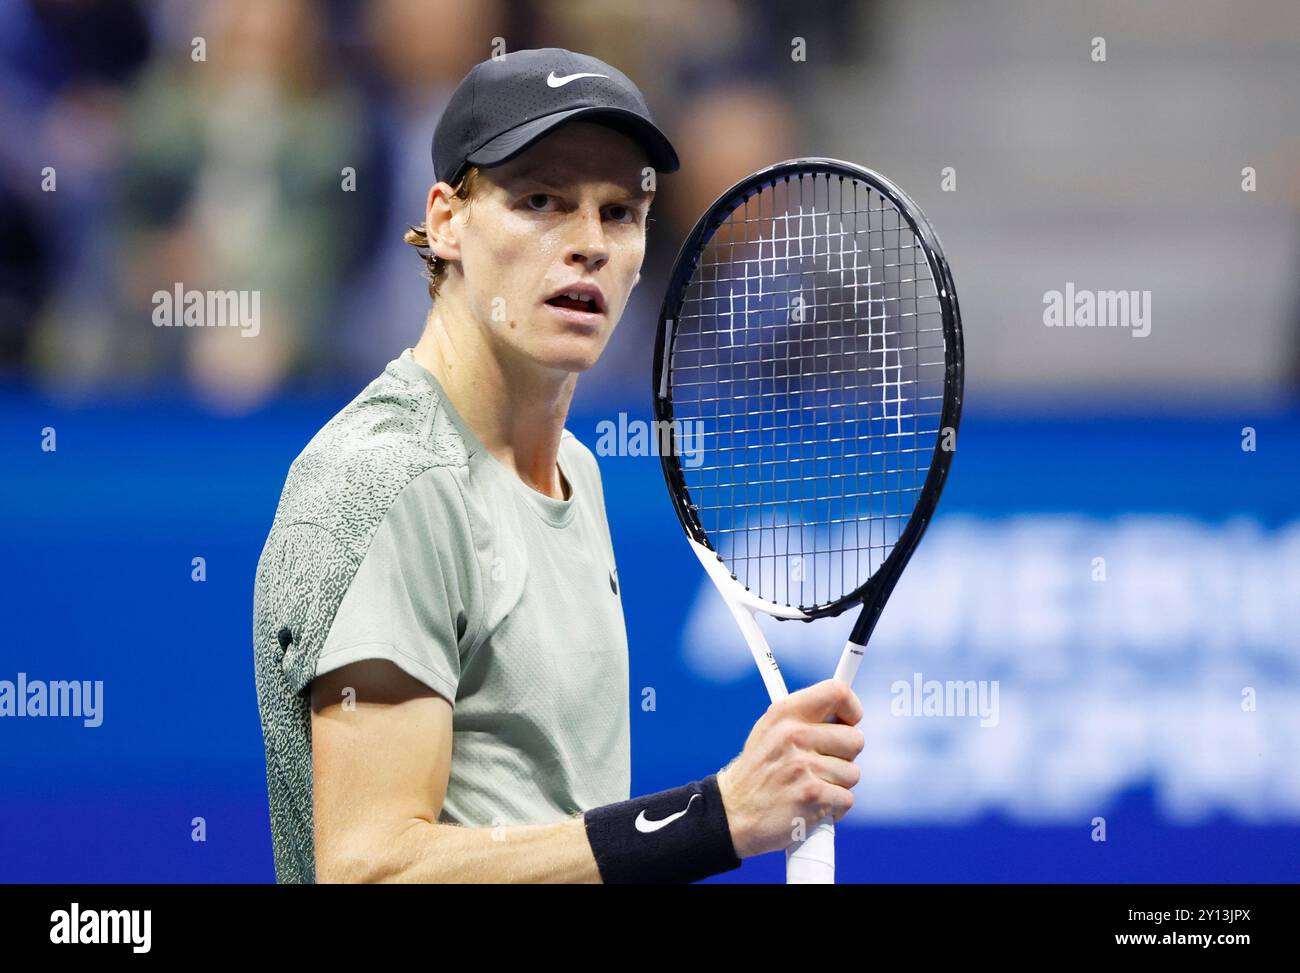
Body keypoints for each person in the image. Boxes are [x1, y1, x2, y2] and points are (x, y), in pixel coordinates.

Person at [252, 47, 864, 884]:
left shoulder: (577, 469)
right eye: (540, 200)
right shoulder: (392, 479)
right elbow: (369, 869)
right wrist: (712, 819)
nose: (587, 245)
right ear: (446, 221)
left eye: (619, 212)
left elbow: (543, 827)